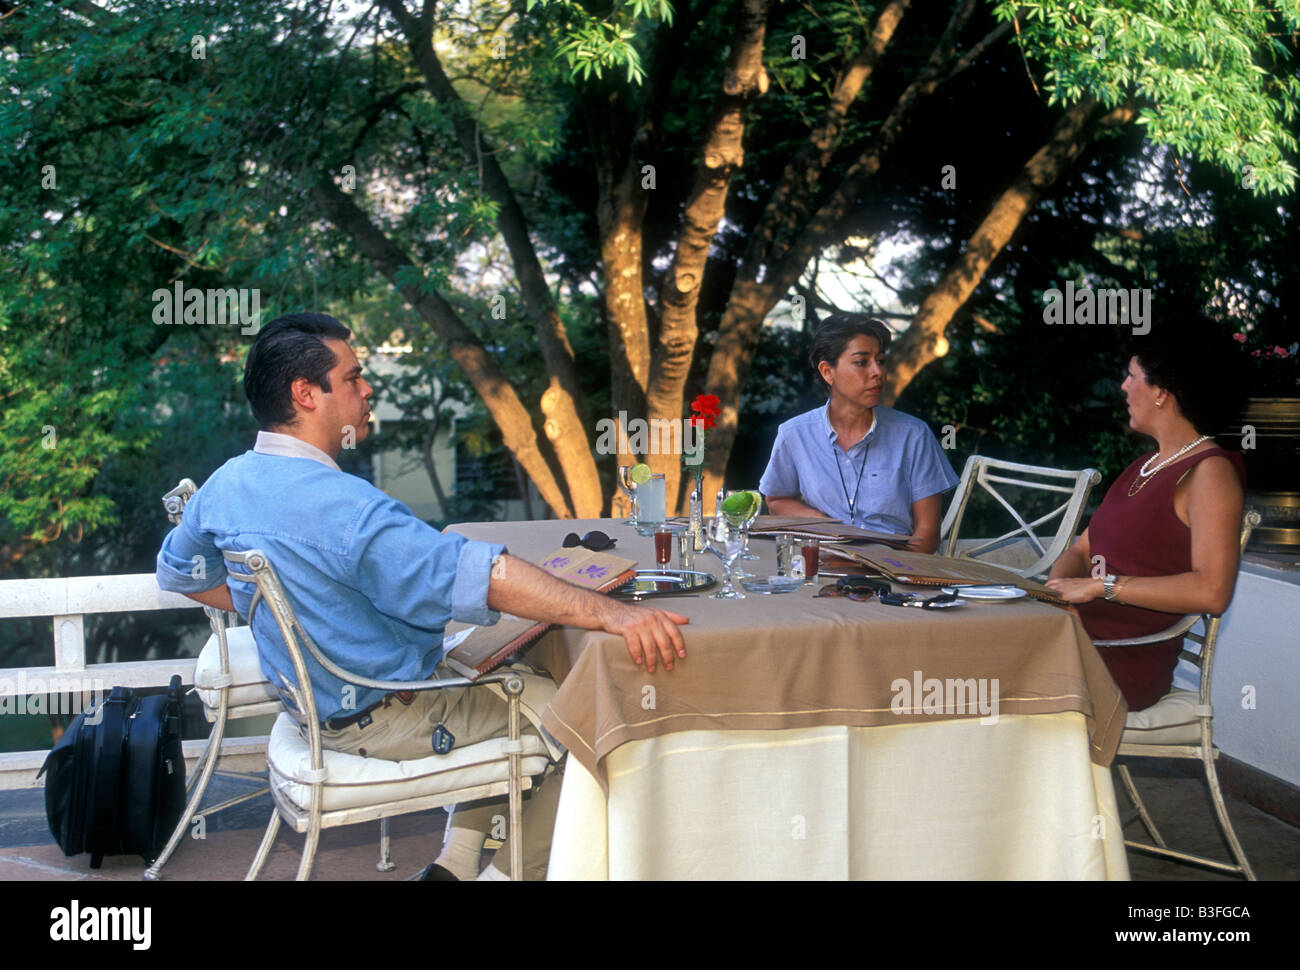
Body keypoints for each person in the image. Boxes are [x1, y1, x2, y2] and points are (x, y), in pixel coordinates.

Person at [156, 313, 687, 881]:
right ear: (306, 394)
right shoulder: (347, 508)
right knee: (581, 720)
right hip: (381, 712)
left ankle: (451, 869)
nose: (368, 389)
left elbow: (178, 572)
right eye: (354, 377)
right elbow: (483, 578)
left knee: (519, 674)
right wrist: (611, 611)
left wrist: (288, 608)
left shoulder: (226, 484)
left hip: (316, 707)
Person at [1046, 317, 1248, 712]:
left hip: (1118, 660)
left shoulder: (1211, 472)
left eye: (1132, 375)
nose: (1123, 385)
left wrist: (1101, 587)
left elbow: (1212, 591)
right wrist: (1058, 591)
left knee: (982, 670)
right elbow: (1083, 548)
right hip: (1073, 635)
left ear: (1162, 392)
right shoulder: (1143, 465)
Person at [759, 313, 958, 552]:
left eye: (881, 361)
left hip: (895, 571)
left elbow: (926, 539)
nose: (878, 372)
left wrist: (889, 570)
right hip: (824, 565)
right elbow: (777, 500)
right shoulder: (794, 434)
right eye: (862, 362)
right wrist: (823, 524)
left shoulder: (914, 435)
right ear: (827, 372)